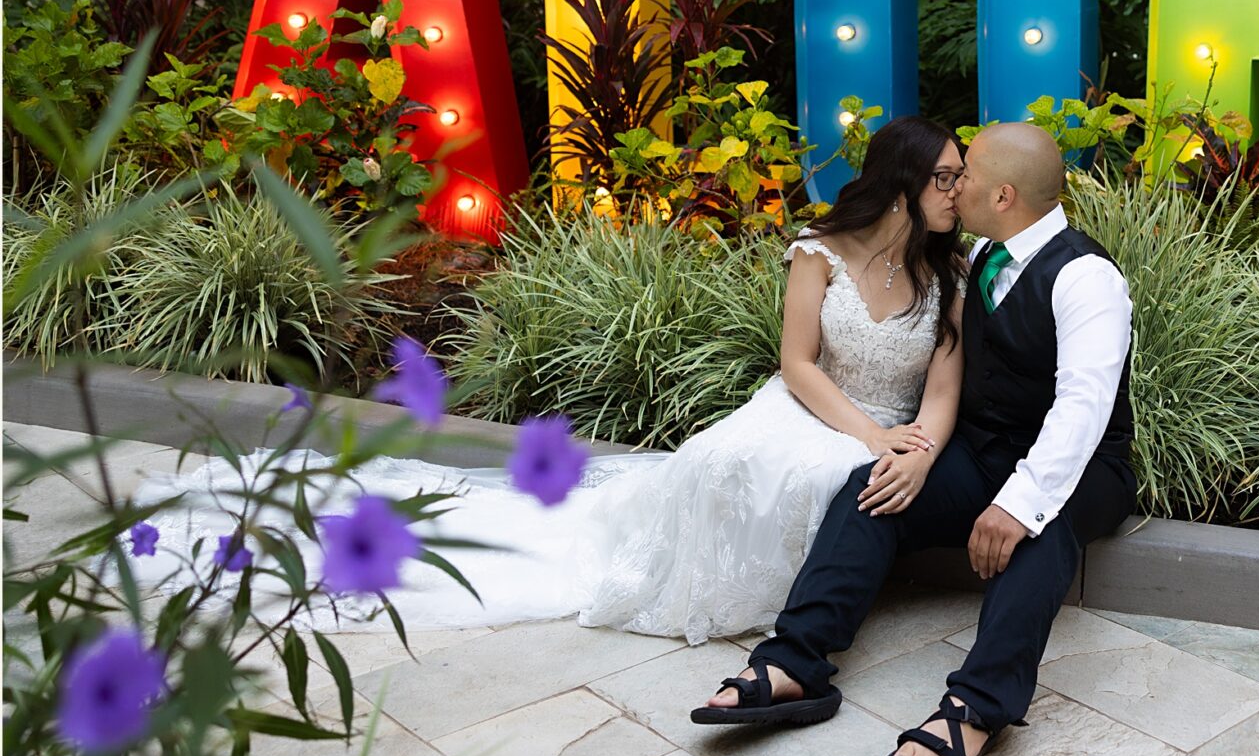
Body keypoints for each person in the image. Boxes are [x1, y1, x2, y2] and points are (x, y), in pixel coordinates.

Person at [126, 116, 970, 648]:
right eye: (945, 176)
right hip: (810, 408)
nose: (957, 191)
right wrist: (865, 434)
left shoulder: (952, 271)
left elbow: (940, 384)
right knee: (727, 465)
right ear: (901, 183)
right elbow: (795, 365)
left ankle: (797, 622)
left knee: (830, 484)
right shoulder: (819, 252)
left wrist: (914, 447)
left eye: (961, 177)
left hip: (896, 430)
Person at [692, 122, 1138, 756]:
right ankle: (796, 661)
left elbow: (1083, 409)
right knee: (873, 488)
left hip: (1077, 468)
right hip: (984, 450)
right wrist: (922, 453)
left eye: (968, 177)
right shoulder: (983, 253)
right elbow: (951, 372)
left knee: (1040, 538)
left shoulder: (1086, 278)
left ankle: (977, 707)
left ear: (1005, 194)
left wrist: (1018, 504)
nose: (954, 188)